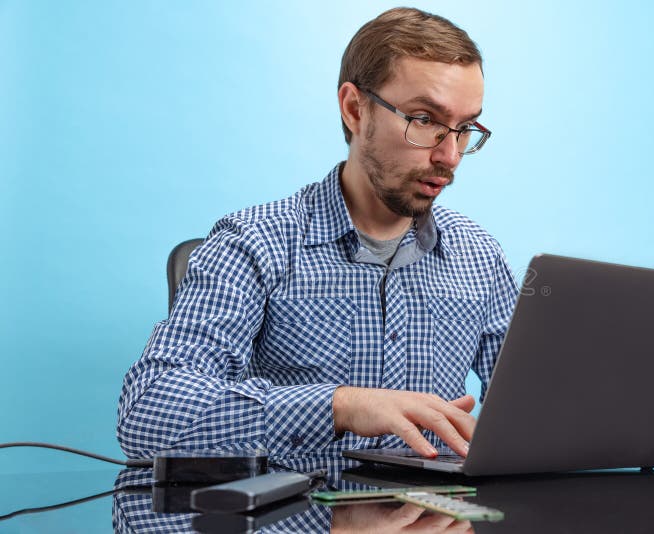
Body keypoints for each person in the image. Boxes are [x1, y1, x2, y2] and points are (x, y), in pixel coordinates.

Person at [116, 7, 518, 466]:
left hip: (439, 517)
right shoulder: (253, 243)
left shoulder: (480, 256)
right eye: (424, 119)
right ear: (354, 109)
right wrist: (341, 406)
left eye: (465, 128)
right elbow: (146, 413)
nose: (450, 156)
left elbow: (542, 408)